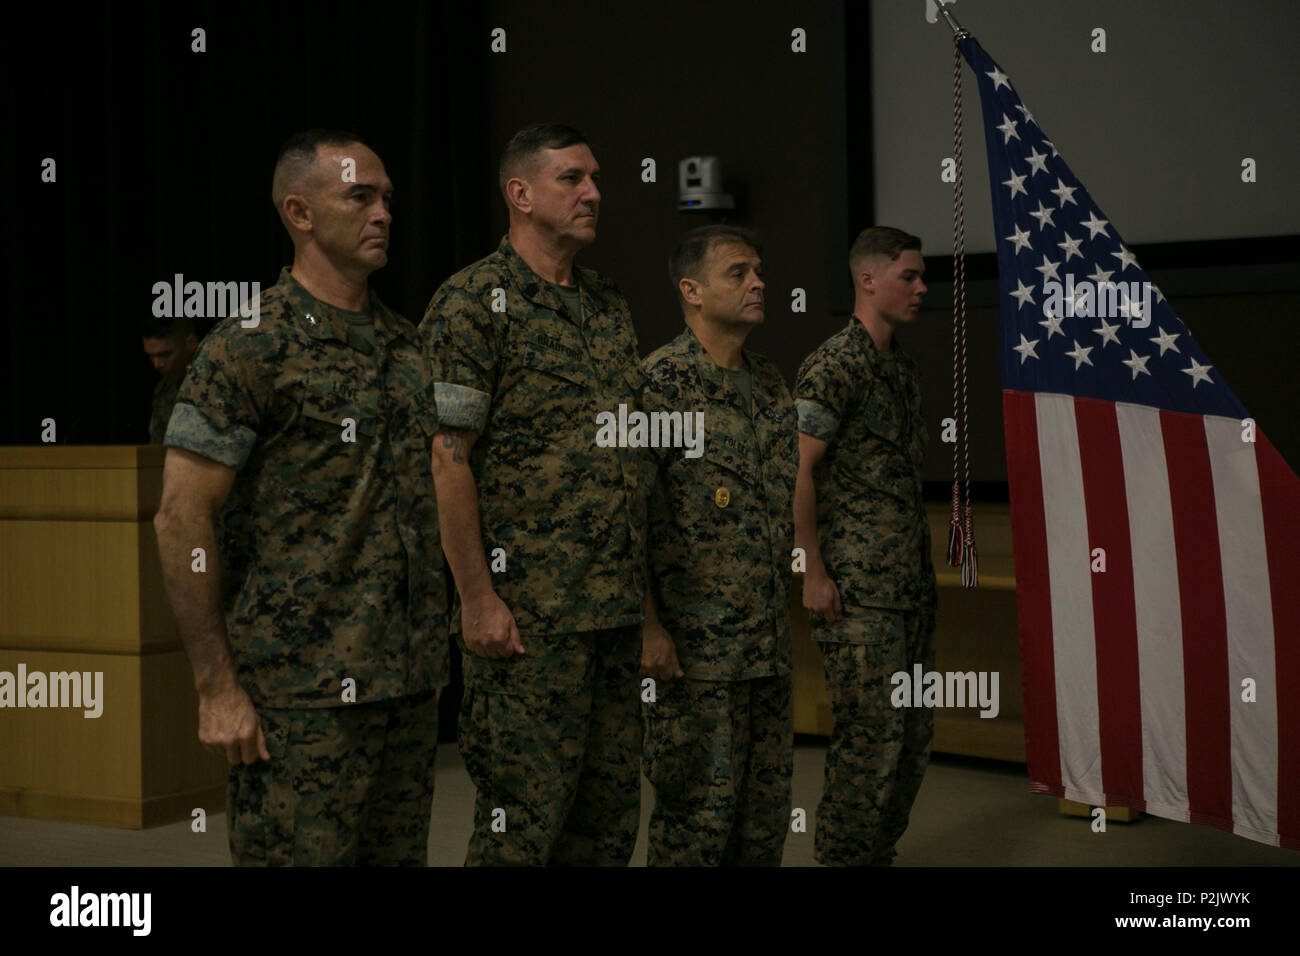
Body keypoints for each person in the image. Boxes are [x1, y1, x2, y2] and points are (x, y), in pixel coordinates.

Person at [154, 129, 447, 866]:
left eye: (387, 198)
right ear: (301, 213)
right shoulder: (248, 345)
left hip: (404, 691)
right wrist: (217, 687)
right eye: (359, 196)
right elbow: (182, 518)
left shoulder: (408, 348)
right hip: (298, 694)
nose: (382, 212)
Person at [422, 123, 645, 866]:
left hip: (610, 612)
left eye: (595, 178)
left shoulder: (609, 307)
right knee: (521, 826)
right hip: (529, 621)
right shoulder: (470, 303)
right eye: (572, 179)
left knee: (607, 825)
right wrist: (477, 599)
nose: (594, 194)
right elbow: (450, 461)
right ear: (519, 194)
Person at [640, 225, 796, 866]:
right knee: (695, 829)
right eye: (739, 273)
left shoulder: (770, 384)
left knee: (761, 831)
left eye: (758, 270)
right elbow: (632, 521)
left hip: (767, 654)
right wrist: (649, 628)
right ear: (692, 291)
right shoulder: (658, 385)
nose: (758, 283)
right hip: (694, 659)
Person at [793, 225, 938, 867]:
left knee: (910, 742)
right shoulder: (835, 364)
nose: (921, 288)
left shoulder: (900, 368)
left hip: (908, 588)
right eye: (908, 276)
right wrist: (811, 571)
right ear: (868, 279)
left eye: (922, 275)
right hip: (857, 594)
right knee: (869, 742)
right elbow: (797, 469)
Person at [141, 317, 199, 444]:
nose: (157, 364)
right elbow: (156, 444)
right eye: (151, 356)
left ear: (191, 343)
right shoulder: (165, 387)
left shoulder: (215, 384)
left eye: (165, 355)